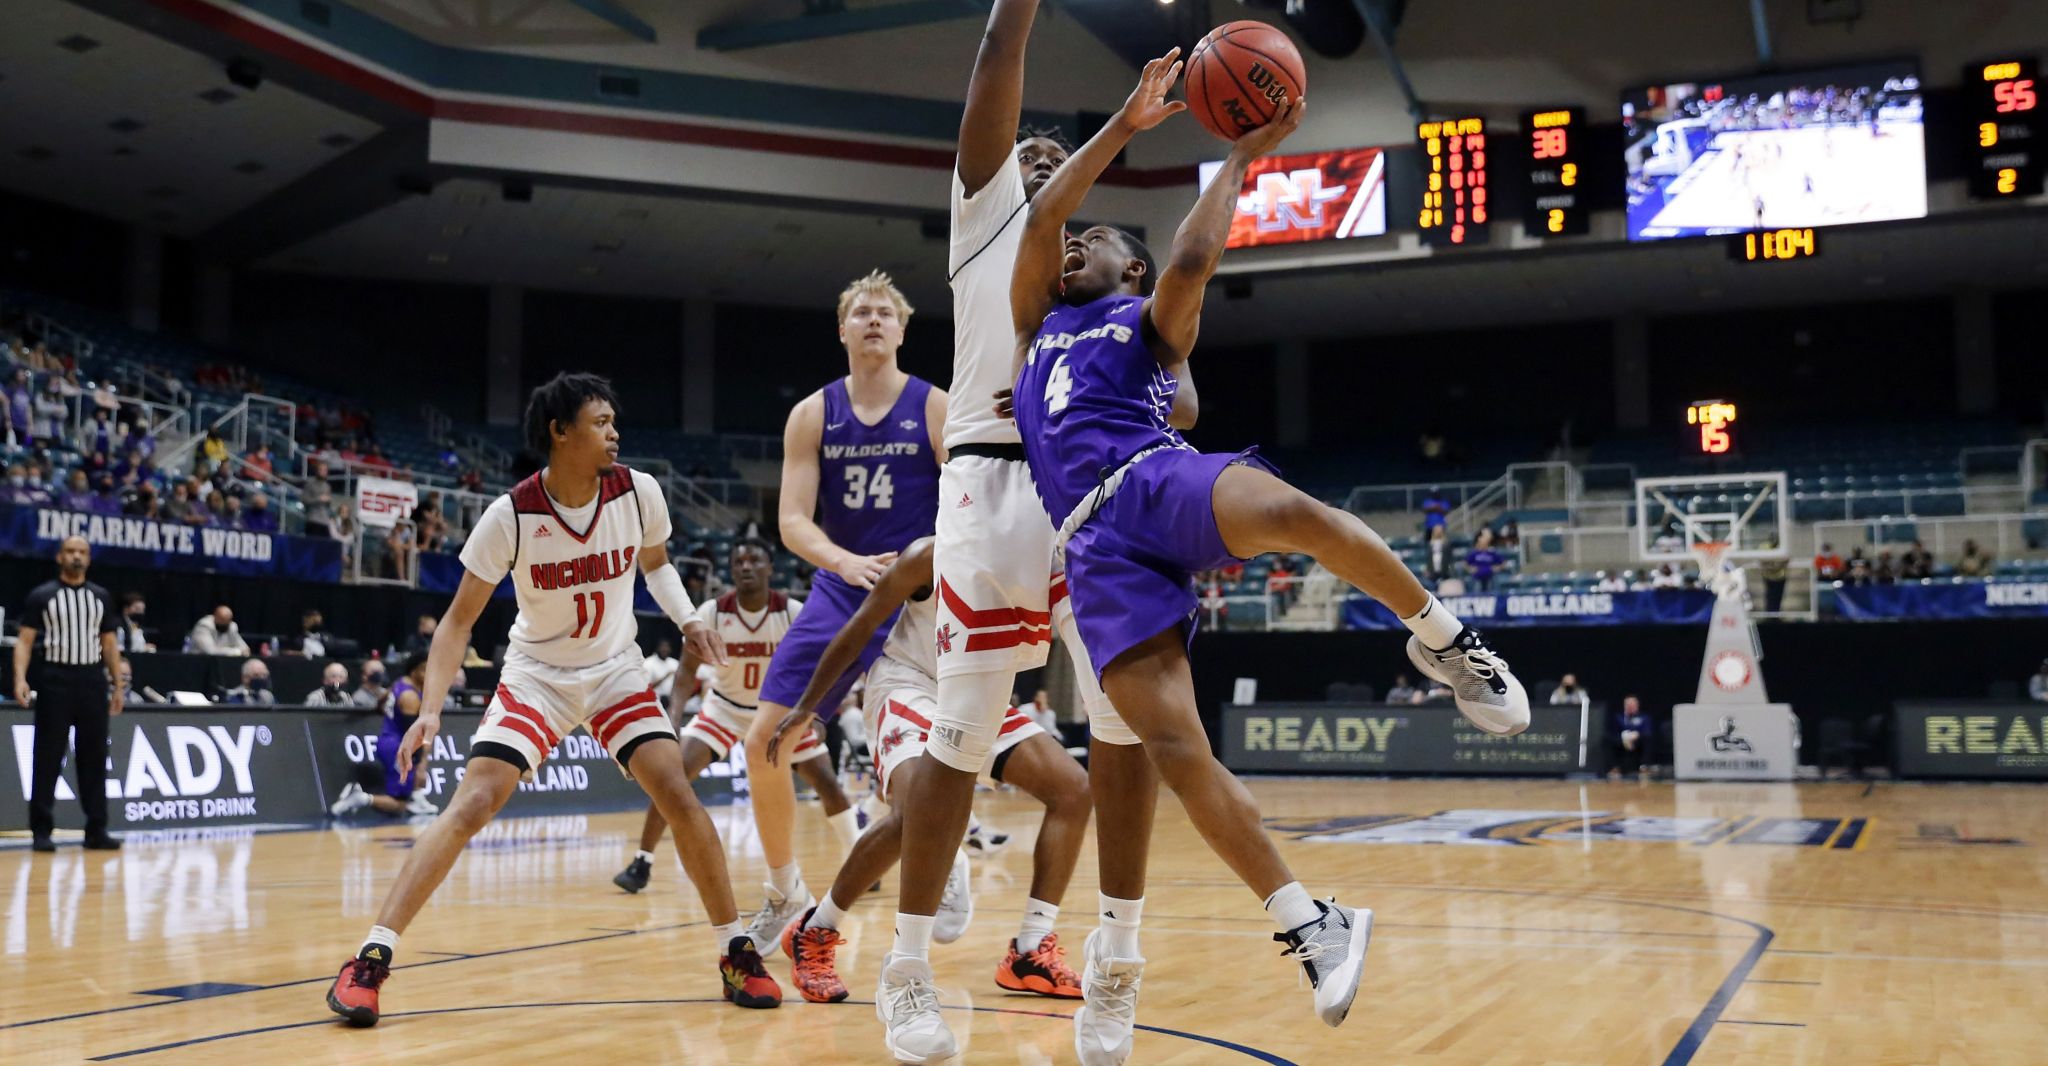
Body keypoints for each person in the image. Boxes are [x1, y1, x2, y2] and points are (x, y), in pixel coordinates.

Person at [1003, 59, 1528, 1061]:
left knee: (1290, 506)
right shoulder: (1034, 323)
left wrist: (1239, 156)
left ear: (1129, 270)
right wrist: (1123, 119)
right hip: (1091, 550)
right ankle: (1306, 919)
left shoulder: (1143, 323)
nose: (1075, 243)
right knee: (1168, 753)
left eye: (1099, 239)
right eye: (1072, 238)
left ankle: (1447, 640)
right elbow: (1037, 229)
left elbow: (1193, 260)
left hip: (1155, 479)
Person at [324, 373, 780, 1028]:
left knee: (677, 791)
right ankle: (370, 958)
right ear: (560, 433)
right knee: (474, 801)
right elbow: (456, 622)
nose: (615, 431)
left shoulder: (638, 490)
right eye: (600, 421)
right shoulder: (510, 515)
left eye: (614, 420)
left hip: (616, 668)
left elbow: (655, 563)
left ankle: (734, 951)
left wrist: (686, 620)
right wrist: (428, 708)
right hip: (538, 674)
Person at [765, 538, 1091, 1007]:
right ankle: (815, 930)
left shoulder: (1046, 555)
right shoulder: (929, 554)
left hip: (979, 691)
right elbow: (860, 629)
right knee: (920, 808)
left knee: (1073, 790)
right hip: (909, 685)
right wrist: (807, 705)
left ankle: (1028, 951)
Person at [737, 270, 946, 958]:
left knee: (948, 756)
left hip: (922, 597)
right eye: (862, 312)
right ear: (843, 330)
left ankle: (955, 868)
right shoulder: (813, 413)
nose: (875, 321)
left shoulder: (936, 407)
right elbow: (792, 518)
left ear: (904, 329)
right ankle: (782, 890)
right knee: (764, 740)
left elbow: (968, 501)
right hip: (843, 585)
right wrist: (841, 561)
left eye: (886, 312)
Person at [612, 538, 856, 898]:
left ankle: (856, 858)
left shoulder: (791, 611)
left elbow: (819, 666)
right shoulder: (712, 612)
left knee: (828, 784)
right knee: (670, 778)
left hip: (778, 713)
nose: (745, 567)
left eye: (754, 561)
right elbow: (686, 673)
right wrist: (672, 719)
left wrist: (817, 713)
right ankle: (642, 861)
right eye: (739, 561)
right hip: (724, 709)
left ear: (770, 569)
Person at [13, 536, 125, 852]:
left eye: (83, 552)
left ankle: (96, 830)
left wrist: (117, 684)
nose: (77, 557)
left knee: (94, 758)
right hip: (55, 679)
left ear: (89, 559)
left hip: (92, 680)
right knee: (47, 756)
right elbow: (24, 641)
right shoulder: (43, 595)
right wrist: (20, 678)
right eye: (71, 551)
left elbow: (109, 644)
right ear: (60, 557)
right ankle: (41, 830)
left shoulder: (101, 596)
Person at [329, 653, 438, 817]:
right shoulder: (410, 697)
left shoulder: (399, 684)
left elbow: (382, 700)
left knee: (408, 786)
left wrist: (382, 709)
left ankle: (417, 797)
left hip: (388, 741)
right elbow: (417, 735)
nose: (428, 675)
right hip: (399, 748)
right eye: (424, 670)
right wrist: (422, 766)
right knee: (400, 806)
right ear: (414, 671)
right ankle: (362, 798)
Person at [1612, 695, 1652, 776]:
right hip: (1622, 741)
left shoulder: (1644, 717)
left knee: (1647, 739)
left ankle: (1644, 767)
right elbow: (1613, 732)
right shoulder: (1618, 717)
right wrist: (1625, 736)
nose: (1630, 707)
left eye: (1632, 704)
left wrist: (1637, 734)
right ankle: (1614, 767)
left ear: (1637, 705)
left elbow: (1647, 731)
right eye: (1628, 704)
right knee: (1608, 740)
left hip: (1638, 741)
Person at [643, 637, 681, 710]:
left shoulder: (675, 663)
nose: (665, 649)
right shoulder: (649, 663)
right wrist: (665, 677)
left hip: (672, 702)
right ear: (657, 648)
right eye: (662, 647)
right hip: (654, 701)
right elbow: (646, 687)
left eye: (667, 647)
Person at [1464, 528, 1503, 592]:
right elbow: (1466, 563)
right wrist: (1470, 569)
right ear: (1479, 539)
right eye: (1484, 537)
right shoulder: (1474, 553)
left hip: (1490, 577)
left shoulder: (1491, 552)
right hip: (1477, 577)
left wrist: (1498, 568)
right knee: (1477, 595)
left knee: (1491, 594)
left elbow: (1502, 562)